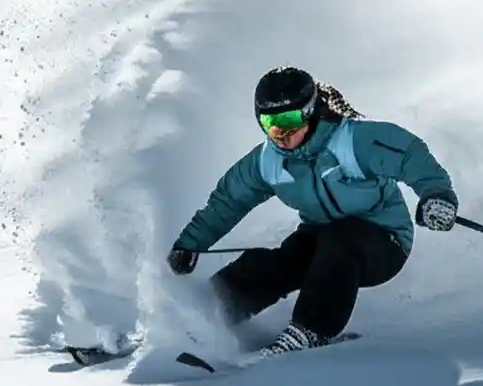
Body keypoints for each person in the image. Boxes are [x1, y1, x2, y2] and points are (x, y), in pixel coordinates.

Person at [167, 66, 459, 356]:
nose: (281, 133)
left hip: (382, 242)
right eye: (271, 123)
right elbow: (228, 202)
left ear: (310, 111)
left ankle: (311, 330)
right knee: (274, 262)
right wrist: (189, 244)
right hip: (320, 241)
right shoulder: (267, 162)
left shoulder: (351, 141)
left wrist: (436, 196)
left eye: (290, 119)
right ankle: (202, 318)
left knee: (341, 239)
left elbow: (409, 154)